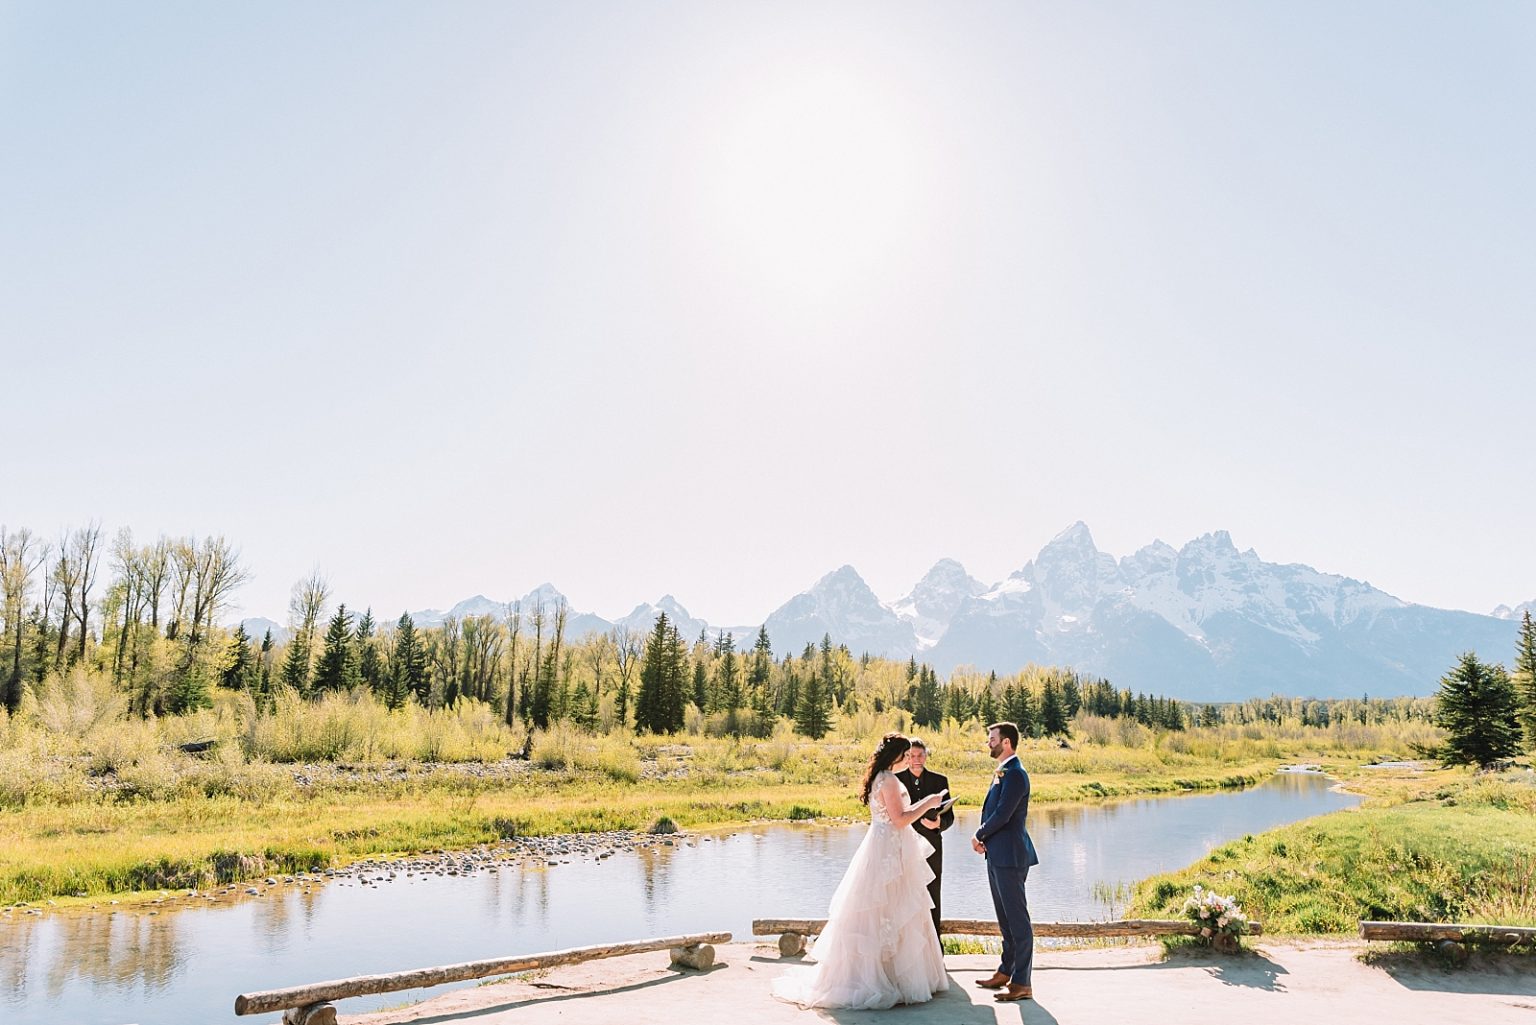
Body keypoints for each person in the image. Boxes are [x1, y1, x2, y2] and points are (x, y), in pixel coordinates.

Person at [772, 733, 951, 1009]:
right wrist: (927, 804)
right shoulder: (889, 780)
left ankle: (892, 974)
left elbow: (896, 816)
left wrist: (926, 802)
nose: (908, 760)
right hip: (888, 851)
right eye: (905, 755)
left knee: (889, 910)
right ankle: (886, 979)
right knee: (889, 908)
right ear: (895, 756)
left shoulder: (881, 776)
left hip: (885, 846)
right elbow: (900, 820)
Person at [971, 721, 1039, 1003]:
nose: (989, 742)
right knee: (1005, 920)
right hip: (996, 854)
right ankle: (1005, 971)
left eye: (992, 738)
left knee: (1018, 921)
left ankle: (1022, 982)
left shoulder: (1015, 775)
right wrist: (986, 840)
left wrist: (979, 834)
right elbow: (993, 811)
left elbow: (1003, 814)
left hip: (1010, 856)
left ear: (1006, 742)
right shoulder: (1003, 771)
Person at [895, 737, 954, 937]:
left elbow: (950, 816)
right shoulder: (896, 780)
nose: (916, 759)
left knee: (932, 894)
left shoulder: (940, 781)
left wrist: (939, 824)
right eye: (911, 756)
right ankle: (906, 944)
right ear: (906, 757)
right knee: (905, 894)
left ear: (926, 756)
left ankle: (935, 947)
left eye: (920, 755)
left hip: (933, 845)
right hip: (905, 846)